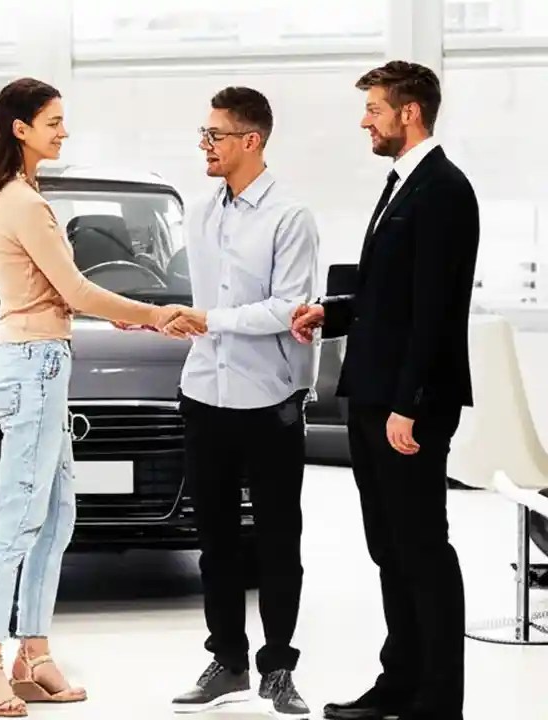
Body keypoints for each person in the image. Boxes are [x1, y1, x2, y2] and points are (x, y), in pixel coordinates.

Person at [0, 76, 203, 717]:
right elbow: (73, 291)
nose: (63, 132)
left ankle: (32, 653)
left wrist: (120, 314)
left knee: (59, 514)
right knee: (18, 517)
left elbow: (61, 294)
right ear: (20, 128)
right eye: (52, 122)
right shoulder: (21, 201)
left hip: (45, 365)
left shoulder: (20, 194)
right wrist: (153, 315)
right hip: (33, 366)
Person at [291, 61, 480, 720]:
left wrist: (409, 403)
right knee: (389, 549)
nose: (364, 120)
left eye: (373, 108)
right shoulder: (404, 184)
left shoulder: (444, 190)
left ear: (409, 113)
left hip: (410, 404)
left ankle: (437, 701)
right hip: (373, 394)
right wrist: (332, 313)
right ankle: (399, 683)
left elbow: (434, 309)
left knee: (423, 548)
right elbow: (387, 294)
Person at [156, 87, 320, 718]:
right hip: (205, 394)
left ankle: (278, 667)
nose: (206, 145)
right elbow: (201, 303)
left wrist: (208, 318)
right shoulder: (199, 213)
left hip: (270, 400)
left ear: (250, 141)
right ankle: (227, 661)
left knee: (278, 539)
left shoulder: (290, 216)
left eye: (215, 136)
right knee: (215, 540)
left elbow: (288, 306)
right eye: (204, 135)